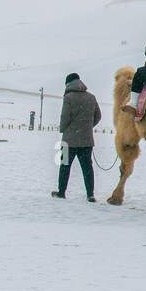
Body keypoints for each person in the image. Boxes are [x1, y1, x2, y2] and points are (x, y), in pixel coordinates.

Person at [53, 72, 102, 201]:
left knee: (64, 166)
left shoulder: (68, 98)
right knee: (87, 168)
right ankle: (90, 194)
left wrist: (63, 129)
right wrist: (87, 127)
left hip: (68, 140)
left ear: (68, 84)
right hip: (86, 140)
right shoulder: (91, 97)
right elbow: (98, 116)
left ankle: (61, 192)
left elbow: (65, 117)